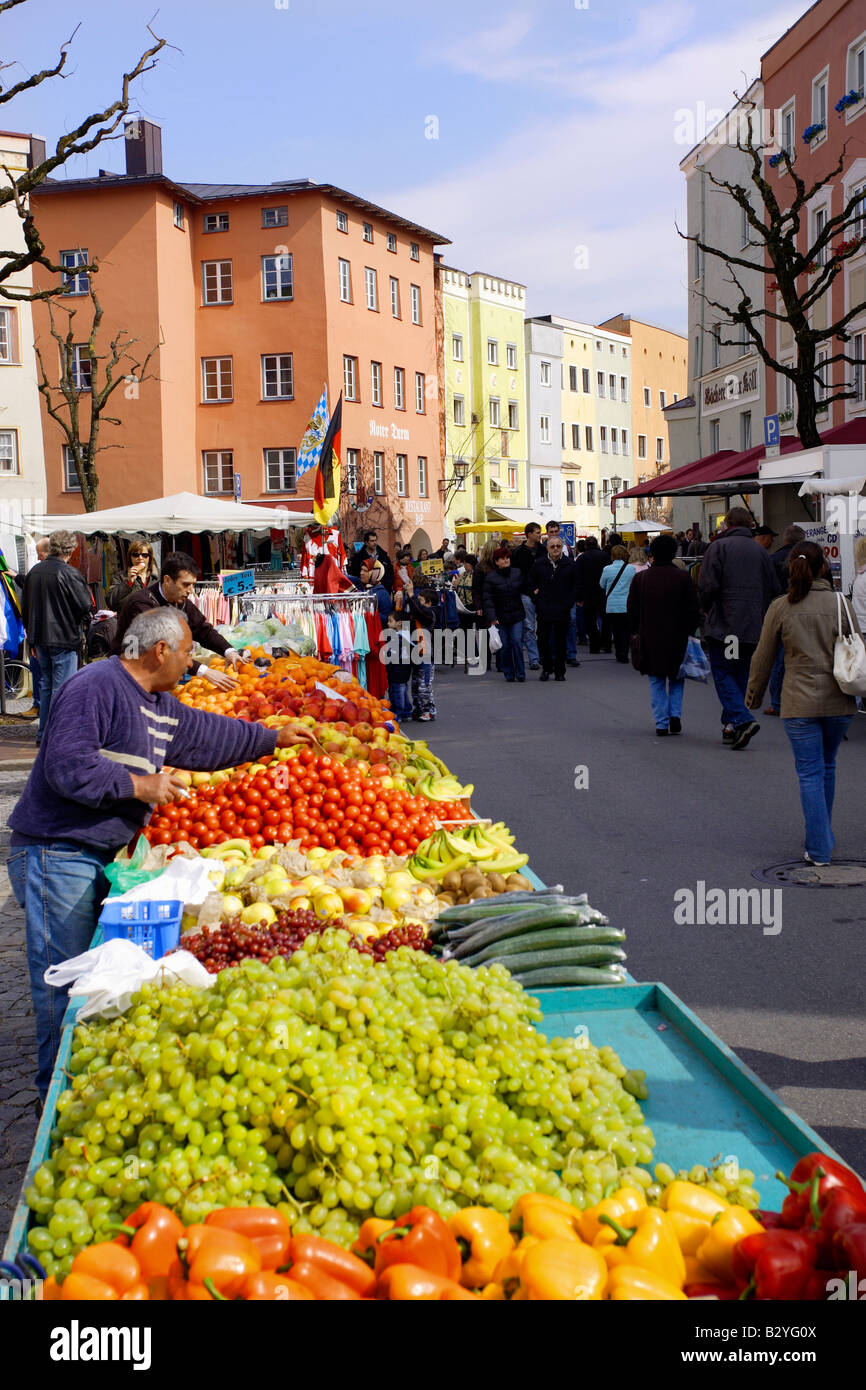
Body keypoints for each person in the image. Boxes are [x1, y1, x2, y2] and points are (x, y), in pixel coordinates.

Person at [7, 607, 315, 1098]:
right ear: (161, 650)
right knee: (65, 984)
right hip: (57, 850)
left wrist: (269, 738)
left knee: (96, 978)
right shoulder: (95, 687)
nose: (194, 660)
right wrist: (138, 784)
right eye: (190, 649)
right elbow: (67, 766)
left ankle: (84, 1084)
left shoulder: (158, 703)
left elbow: (206, 736)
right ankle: (55, 1095)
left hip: (98, 852)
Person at [745, 542, 860, 864]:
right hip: (839, 698)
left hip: (798, 702)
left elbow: (763, 656)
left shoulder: (781, 606)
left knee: (809, 773)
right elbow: (858, 648)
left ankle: (820, 846)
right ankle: (822, 836)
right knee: (828, 765)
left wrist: (753, 696)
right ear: (824, 567)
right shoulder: (841, 603)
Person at [698, 507, 781, 749]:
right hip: (752, 625)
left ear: (728, 523)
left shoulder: (718, 547)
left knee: (723, 673)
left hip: (726, 624)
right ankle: (730, 726)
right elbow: (773, 589)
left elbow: (708, 586)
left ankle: (742, 719)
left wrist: (704, 609)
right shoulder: (761, 551)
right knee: (740, 674)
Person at [112, 551, 243, 691]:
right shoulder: (141, 603)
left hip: (154, 677)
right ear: (167, 580)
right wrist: (204, 671)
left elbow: (202, 629)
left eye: (193, 585)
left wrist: (229, 651)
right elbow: (160, 648)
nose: (191, 591)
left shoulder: (180, 601)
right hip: (127, 678)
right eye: (186, 584)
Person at [22, 530, 93, 747]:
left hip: (41, 637)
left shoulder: (35, 572)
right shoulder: (70, 574)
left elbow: (26, 607)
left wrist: (31, 638)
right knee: (62, 689)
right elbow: (84, 606)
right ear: (71, 550)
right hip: (64, 638)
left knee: (46, 686)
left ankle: (44, 734)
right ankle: (56, 736)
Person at [627, 533, 700, 736]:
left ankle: (661, 722)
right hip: (678, 635)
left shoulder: (641, 579)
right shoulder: (684, 577)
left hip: (650, 636)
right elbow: (693, 609)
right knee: (677, 677)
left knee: (656, 679)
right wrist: (691, 630)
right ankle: (675, 715)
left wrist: (634, 631)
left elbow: (632, 609)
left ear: (653, 554)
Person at [764, 525, 805, 715]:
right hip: (807, 614)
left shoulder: (774, 559)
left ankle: (777, 702)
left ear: (786, 540)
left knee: (779, 659)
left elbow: (769, 589)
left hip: (781, 612)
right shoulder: (812, 558)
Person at [527, 533, 578, 681]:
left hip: (562, 609)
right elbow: (530, 582)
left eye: (558, 546)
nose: (556, 549)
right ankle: (547, 669)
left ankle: (560, 671)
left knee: (561, 641)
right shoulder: (539, 564)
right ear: (547, 548)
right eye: (552, 546)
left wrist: (569, 601)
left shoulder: (570, 564)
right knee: (543, 640)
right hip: (544, 609)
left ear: (562, 548)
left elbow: (577, 585)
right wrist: (535, 597)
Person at [483, 545, 526, 683]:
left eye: (507, 557)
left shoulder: (517, 572)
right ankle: (509, 673)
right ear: (496, 561)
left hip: (516, 614)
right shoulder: (490, 577)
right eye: (502, 558)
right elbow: (487, 599)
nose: (506, 560)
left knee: (517, 642)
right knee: (505, 646)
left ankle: (520, 673)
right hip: (500, 617)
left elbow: (525, 588)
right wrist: (492, 617)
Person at [21, 536, 50, 719]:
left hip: (44, 634)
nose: (38, 558)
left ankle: (41, 709)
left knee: (43, 676)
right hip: (53, 635)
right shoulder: (66, 573)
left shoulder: (40, 573)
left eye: (39, 554)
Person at [510, 522, 544, 671]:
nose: (540, 535)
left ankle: (544, 655)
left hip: (543, 592)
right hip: (526, 594)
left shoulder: (543, 550)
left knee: (544, 626)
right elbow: (516, 575)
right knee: (529, 627)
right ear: (529, 534)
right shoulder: (518, 552)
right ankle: (534, 659)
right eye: (537, 532)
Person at [600, 544, 638, 663]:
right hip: (626, 604)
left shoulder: (607, 569)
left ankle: (618, 652)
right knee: (626, 631)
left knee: (616, 630)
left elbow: (602, 585)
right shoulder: (631, 569)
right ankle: (625, 653)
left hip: (612, 605)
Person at [574, 536, 610, 655]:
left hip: (587, 593)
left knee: (590, 620)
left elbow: (578, 578)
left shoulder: (582, 558)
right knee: (605, 619)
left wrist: (579, 597)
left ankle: (594, 646)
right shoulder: (605, 556)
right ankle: (606, 644)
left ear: (585, 545)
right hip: (603, 592)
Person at [407, 583, 437, 720]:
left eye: (421, 601)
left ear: (429, 603)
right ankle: (418, 708)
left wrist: (412, 595)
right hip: (416, 652)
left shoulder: (430, 613)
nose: (416, 604)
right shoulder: (418, 612)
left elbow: (419, 611)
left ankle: (428, 710)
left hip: (425, 653)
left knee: (424, 685)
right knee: (415, 684)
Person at [106, 539, 158, 612]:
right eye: (136, 555)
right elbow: (110, 602)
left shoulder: (156, 579)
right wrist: (128, 583)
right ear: (130, 558)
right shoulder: (121, 576)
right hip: (130, 621)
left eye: (144, 555)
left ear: (149, 558)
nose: (140, 558)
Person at [382, 608, 413, 722]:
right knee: (403, 690)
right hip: (404, 669)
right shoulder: (406, 635)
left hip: (397, 669)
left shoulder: (397, 638)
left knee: (397, 692)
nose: (387, 623)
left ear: (399, 622)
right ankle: (406, 711)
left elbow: (393, 655)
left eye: (390, 621)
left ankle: (398, 713)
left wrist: (387, 667)